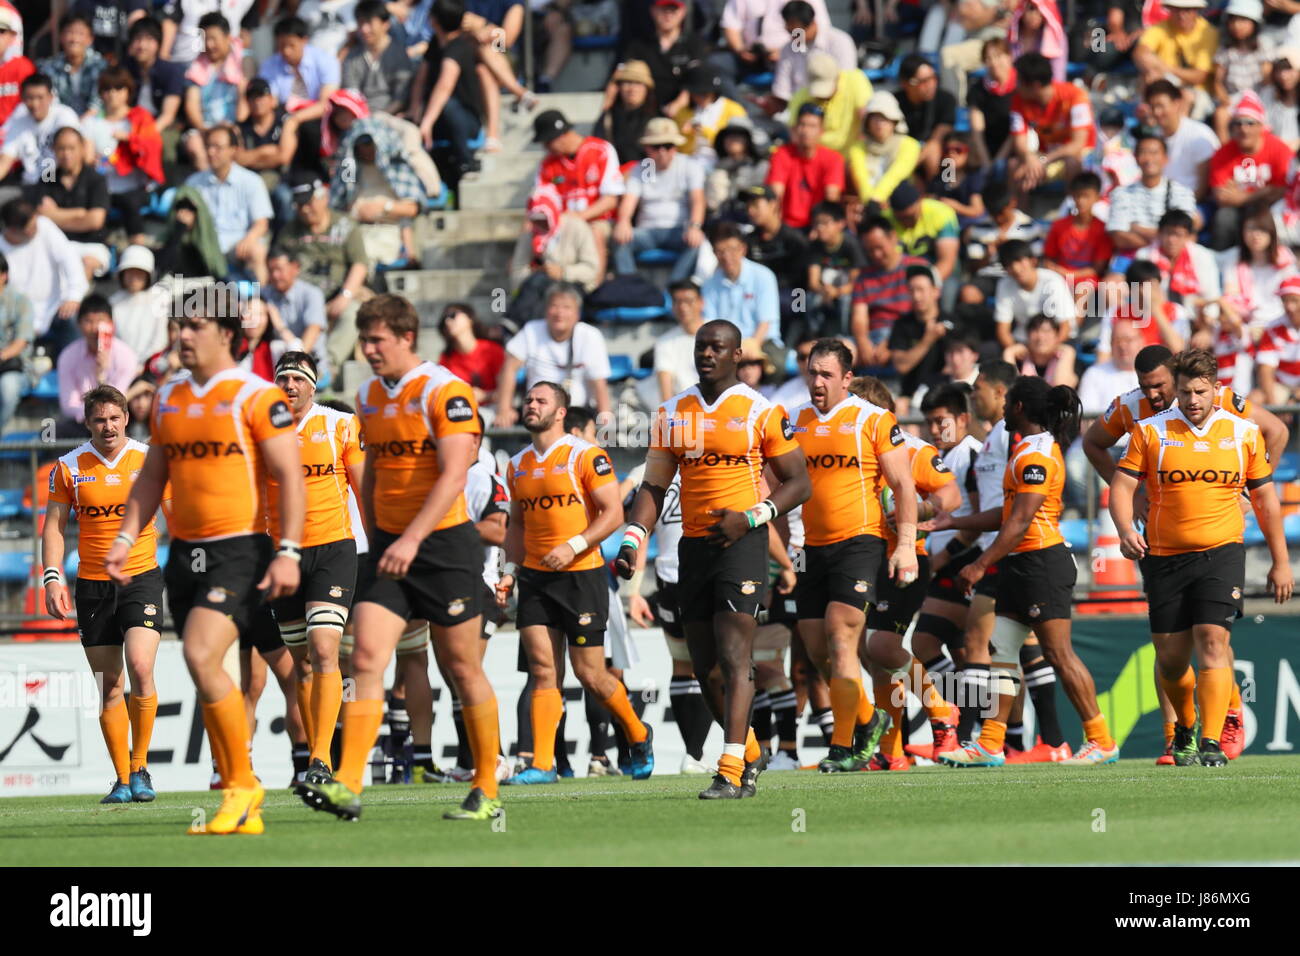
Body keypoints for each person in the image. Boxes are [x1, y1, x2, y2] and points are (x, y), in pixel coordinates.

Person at [104, 285, 305, 835]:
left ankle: (244, 784)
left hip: (239, 549)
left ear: (225, 333)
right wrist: (125, 538)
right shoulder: (168, 397)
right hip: (183, 554)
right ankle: (241, 786)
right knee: (204, 666)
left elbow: (290, 477)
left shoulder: (257, 397)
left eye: (194, 325)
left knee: (198, 653)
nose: (182, 335)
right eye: (178, 325)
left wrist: (287, 550)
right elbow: (153, 476)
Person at [299, 293, 502, 821]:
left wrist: (413, 538)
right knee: (365, 657)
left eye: (376, 340)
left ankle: (486, 787)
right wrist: (377, 536)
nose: (367, 350)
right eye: (363, 340)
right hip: (389, 546)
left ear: (406, 337)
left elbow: (456, 473)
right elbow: (370, 476)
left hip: (445, 545)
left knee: (460, 665)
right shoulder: (366, 395)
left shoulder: (445, 390)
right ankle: (347, 784)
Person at [615, 319, 812, 799]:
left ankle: (728, 770)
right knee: (704, 668)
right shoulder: (671, 412)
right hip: (693, 546)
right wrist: (633, 536)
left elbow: (799, 481)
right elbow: (654, 485)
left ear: (737, 354)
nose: (707, 354)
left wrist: (752, 517)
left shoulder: (760, 410)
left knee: (734, 655)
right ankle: (748, 750)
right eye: (702, 346)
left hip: (742, 544)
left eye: (717, 347)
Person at [1111, 348, 1291, 766]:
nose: (1192, 400)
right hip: (1165, 557)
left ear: (1216, 389)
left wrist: (1280, 562)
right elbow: (1121, 487)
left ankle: (1211, 741)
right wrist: (1123, 530)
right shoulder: (1150, 431)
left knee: (1213, 642)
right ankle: (1186, 728)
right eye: (1186, 391)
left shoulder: (1242, 432)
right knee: (1172, 662)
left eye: (1200, 391)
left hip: (1221, 553)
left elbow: (1265, 499)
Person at [935, 377, 1120, 766]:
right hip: (1022, 563)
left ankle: (1100, 738)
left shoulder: (1036, 455)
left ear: (1019, 408)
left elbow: (1019, 522)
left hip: (1041, 563)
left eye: (1008, 402)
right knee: (1001, 650)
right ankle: (990, 742)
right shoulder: (1025, 450)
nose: (1002, 408)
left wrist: (979, 564)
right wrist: (951, 521)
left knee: (1058, 653)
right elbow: (1007, 515)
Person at [495, 382, 654, 784]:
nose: (531, 405)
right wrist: (509, 573)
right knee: (543, 671)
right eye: (528, 399)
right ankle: (543, 764)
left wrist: (574, 546)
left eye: (540, 400)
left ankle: (638, 734)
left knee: (590, 675)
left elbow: (613, 513)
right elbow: (517, 525)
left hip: (582, 576)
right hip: (535, 578)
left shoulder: (585, 455)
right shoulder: (517, 464)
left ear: (561, 411)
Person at [785, 340, 915, 773]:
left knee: (842, 638)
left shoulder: (873, 419)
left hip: (860, 542)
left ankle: (842, 747)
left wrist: (905, 544)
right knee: (816, 647)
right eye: (812, 373)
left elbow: (903, 485)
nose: (817, 382)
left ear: (846, 379)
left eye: (826, 375)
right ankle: (867, 717)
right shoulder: (793, 421)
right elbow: (775, 486)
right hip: (811, 548)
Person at [43, 384, 165, 804]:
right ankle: (121, 779)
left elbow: (179, 512)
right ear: (87, 422)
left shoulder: (149, 459)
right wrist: (53, 578)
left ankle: (141, 767)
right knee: (109, 684)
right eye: (99, 419)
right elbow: (54, 528)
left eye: (115, 418)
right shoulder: (68, 467)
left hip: (141, 577)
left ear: (126, 418)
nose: (108, 426)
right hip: (92, 586)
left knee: (140, 666)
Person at [260, 352, 364, 799]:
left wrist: (385, 542)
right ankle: (312, 754)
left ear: (313, 386)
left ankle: (321, 758)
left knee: (326, 650)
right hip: (281, 554)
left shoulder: (340, 425)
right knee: (300, 662)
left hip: (332, 549)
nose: (289, 384)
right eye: (281, 377)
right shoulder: (259, 427)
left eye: (298, 378)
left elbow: (364, 487)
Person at [854, 374, 960, 771]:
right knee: (874, 656)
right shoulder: (855, 448)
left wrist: (921, 512)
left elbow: (950, 495)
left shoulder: (913, 450)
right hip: (863, 559)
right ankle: (892, 751)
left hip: (906, 559)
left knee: (881, 646)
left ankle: (941, 710)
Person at [906, 383, 984, 761]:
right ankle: (964, 734)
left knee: (925, 645)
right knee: (964, 652)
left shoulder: (970, 456)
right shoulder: (942, 458)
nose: (936, 430)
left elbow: (976, 520)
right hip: (949, 563)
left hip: (960, 562)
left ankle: (964, 731)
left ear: (963, 419)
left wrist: (940, 559)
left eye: (942, 422)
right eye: (930, 423)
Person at [277, 174, 371, 377]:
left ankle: (327, 365)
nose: (305, 209)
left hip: (337, 296)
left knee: (354, 314)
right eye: (300, 205)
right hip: (302, 301)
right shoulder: (290, 231)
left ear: (324, 198)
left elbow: (359, 263)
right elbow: (278, 263)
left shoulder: (345, 225)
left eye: (309, 202)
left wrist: (345, 295)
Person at [495, 283, 612, 425]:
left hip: (577, 414)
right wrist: (504, 409)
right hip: (538, 413)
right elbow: (509, 368)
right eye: (555, 306)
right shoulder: (531, 330)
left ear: (577, 314)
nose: (559, 313)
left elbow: (599, 383)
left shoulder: (591, 336)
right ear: (546, 310)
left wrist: (605, 420)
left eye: (567, 307)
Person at [531, 109, 625, 281]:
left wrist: (578, 217)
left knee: (594, 232)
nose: (545, 148)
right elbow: (540, 202)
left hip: (599, 220)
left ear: (561, 136)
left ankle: (593, 287)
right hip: (561, 224)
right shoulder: (547, 164)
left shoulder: (601, 150)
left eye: (547, 142)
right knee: (531, 237)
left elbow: (611, 200)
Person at [611, 116, 705, 282]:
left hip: (679, 230)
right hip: (647, 230)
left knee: (697, 242)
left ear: (675, 148)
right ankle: (630, 287)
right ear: (647, 148)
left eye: (668, 146)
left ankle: (676, 286)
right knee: (619, 239)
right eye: (656, 146)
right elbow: (630, 199)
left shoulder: (689, 165)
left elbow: (697, 200)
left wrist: (695, 226)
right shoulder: (644, 168)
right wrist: (623, 221)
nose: (662, 151)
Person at [80, 67, 164, 250]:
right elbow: (85, 156)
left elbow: (153, 147)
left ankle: (138, 251)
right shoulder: (91, 122)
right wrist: (91, 160)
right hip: (103, 188)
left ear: (128, 92)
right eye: (107, 89)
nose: (112, 94)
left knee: (130, 201)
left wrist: (130, 140)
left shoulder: (140, 118)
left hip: (135, 187)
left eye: (118, 89)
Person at [185, 124, 273, 283]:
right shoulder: (194, 183)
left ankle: (261, 300)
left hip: (237, 247)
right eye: (209, 146)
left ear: (233, 150)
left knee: (257, 250)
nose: (211, 152)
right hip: (205, 245)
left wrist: (249, 238)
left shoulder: (252, 181)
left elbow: (262, 223)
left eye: (218, 147)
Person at [1006, 53, 1095, 205]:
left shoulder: (1075, 95)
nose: (1016, 85)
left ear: (1035, 85)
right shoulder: (1018, 99)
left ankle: (1071, 213)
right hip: (1047, 157)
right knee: (1014, 165)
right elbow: (1019, 141)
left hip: (1080, 155)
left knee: (1072, 163)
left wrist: (1042, 160)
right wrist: (1029, 158)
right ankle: (1019, 219)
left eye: (1019, 81)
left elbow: (1077, 144)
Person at [1208, 90, 1291, 249]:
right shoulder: (1223, 154)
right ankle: (1221, 261)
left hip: (1270, 207)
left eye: (1249, 123)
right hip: (1236, 210)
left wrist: (1243, 197)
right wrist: (1265, 191)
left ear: (1261, 126)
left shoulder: (1279, 149)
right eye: (1238, 123)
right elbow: (1221, 196)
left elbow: (1282, 190)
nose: (1243, 129)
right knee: (1223, 218)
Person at [413, 0, 483, 179]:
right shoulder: (435, 44)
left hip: (466, 122)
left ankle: (466, 162)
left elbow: (444, 87)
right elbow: (420, 80)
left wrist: (426, 122)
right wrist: (414, 110)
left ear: (434, 20)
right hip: (437, 118)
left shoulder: (460, 46)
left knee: (449, 105)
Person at [850, 215, 929, 372]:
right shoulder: (863, 277)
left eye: (879, 247)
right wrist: (862, 342)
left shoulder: (917, 268)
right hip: (873, 335)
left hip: (905, 334)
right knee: (841, 353)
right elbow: (859, 317)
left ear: (893, 237)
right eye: (870, 250)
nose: (876, 255)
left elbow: (923, 310)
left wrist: (889, 343)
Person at [509, 183, 601, 308]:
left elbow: (591, 269)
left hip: (574, 285)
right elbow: (517, 269)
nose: (540, 224)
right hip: (538, 287)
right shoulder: (530, 233)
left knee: (552, 297)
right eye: (536, 220)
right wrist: (536, 273)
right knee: (539, 284)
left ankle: (511, 325)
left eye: (543, 218)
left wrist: (563, 272)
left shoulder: (577, 227)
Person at [35, 126, 110, 281]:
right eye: (61, 148)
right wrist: (80, 214)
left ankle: (76, 303)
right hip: (57, 244)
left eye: (71, 148)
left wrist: (55, 215)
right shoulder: (48, 178)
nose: (66, 154)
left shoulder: (95, 179)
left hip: (91, 245)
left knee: (86, 264)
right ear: (54, 150)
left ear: (82, 148)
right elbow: (40, 215)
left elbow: (95, 221)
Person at [613, 0, 709, 118]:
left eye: (673, 10)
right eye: (663, 9)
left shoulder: (694, 43)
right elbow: (621, 74)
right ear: (653, 11)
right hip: (646, 113)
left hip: (685, 113)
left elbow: (699, 77)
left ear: (683, 12)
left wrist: (680, 102)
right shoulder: (639, 45)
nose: (668, 14)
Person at [701, 221, 783, 358]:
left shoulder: (764, 276)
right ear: (714, 253)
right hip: (725, 346)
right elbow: (710, 323)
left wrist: (750, 347)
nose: (727, 257)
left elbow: (765, 323)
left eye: (732, 250)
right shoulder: (709, 284)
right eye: (721, 251)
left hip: (762, 342)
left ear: (743, 249)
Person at [1106, 134, 1199, 254]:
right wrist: (1158, 244)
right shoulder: (1121, 193)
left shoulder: (1182, 192)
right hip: (1131, 257)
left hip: (1170, 256)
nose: (1149, 159)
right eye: (1144, 152)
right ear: (1135, 158)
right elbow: (1119, 237)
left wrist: (1137, 229)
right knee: (1114, 274)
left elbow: (1186, 233)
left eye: (1154, 153)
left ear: (1165, 158)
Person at [56, 294, 139, 427]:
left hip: (118, 422)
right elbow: (68, 405)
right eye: (88, 321)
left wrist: (102, 376)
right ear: (78, 325)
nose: (95, 328)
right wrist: (93, 416)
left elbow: (118, 401)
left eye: (101, 321)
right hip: (83, 421)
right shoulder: (68, 356)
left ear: (112, 324)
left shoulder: (126, 355)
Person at [180, 13, 248, 171]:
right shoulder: (195, 68)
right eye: (205, 39)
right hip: (205, 128)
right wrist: (206, 130)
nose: (209, 44)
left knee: (236, 143)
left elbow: (243, 111)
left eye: (213, 38)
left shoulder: (244, 61)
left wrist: (231, 127)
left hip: (234, 126)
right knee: (195, 145)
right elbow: (192, 107)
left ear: (227, 37)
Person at [890, 263, 967, 402]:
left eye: (921, 290)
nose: (916, 296)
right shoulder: (902, 324)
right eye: (911, 290)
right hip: (910, 396)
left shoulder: (954, 323)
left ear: (936, 291)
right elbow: (901, 366)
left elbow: (960, 365)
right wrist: (928, 339)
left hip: (946, 396)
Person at [768, 0, 857, 113]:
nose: (794, 36)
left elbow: (846, 84)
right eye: (790, 32)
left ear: (812, 24)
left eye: (797, 32)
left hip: (836, 108)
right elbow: (782, 92)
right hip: (798, 113)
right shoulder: (788, 49)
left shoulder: (840, 42)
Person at [765, 103, 844, 230]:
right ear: (795, 128)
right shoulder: (782, 154)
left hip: (817, 226)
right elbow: (776, 194)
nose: (806, 131)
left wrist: (820, 228)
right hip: (786, 226)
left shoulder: (833, 159)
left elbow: (831, 197)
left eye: (812, 126)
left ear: (821, 131)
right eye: (802, 124)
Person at [0, 73, 82, 190]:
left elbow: (75, 156)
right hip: (28, 185)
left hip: (60, 185)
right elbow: (5, 160)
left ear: (50, 97)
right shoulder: (18, 119)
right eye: (29, 98)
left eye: (40, 97)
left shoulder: (64, 116)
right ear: (22, 98)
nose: (35, 104)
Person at [785, 52, 873, 161]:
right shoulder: (801, 95)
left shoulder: (855, 80)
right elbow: (794, 133)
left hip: (852, 159)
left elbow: (867, 118)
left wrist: (858, 157)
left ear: (837, 77)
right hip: (818, 162)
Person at [992, 239, 1076, 349]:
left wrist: (1044, 352)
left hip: (1057, 341)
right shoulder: (1004, 285)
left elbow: (1065, 327)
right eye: (1009, 265)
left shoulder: (1053, 281)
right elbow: (1003, 330)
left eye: (1020, 261)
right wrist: (1018, 352)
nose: (1016, 269)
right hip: (1024, 342)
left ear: (1033, 261)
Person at [257, 16, 339, 127]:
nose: (286, 51)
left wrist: (294, 120)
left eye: (291, 45)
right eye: (281, 46)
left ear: (304, 41)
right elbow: (271, 102)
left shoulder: (326, 61)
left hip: (317, 119)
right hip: (283, 117)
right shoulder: (269, 65)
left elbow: (326, 104)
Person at [884, 180, 960, 303]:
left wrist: (923, 288)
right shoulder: (885, 221)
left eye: (910, 216)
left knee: (948, 289)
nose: (906, 222)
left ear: (920, 202)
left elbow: (947, 262)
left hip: (935, 269)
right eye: (901, 219)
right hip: (901, 275)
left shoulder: (941, 213)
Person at [1043, 172, 1112, 302]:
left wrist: (1070, 274)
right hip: (1060, 275)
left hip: (1086, 278)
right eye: (1078, 196)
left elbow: (1097, 269)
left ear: (1097, 198)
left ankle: (1074, 322)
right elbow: (1049, 258)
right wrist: (1057, 270)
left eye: (1086, 196)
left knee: (1082, 292)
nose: (1081, 201)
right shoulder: (1059, 226)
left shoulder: (1102, 230)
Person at [1143, 79, 1219, 197]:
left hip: (1196, 204)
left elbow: (1204, 189)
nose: (1157, 112)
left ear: (1176, 103)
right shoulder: (1152, 138)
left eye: (1160, 106)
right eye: (1152, 107)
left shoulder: (1200, 135)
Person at [1211, 0, 1273, 141]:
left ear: (1255, 23)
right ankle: (1225, 153)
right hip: (1234, 97)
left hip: (1259, 96)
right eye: (1233, 20)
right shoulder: (1225, 49)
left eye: (1243, 20)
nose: (1237, 25)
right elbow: (1218, 82)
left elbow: (1267, 78)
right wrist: (1225, 99)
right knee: (1220, 115)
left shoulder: (1263, 45)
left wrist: (1255, 102)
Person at [1133, 0, 1219, 100]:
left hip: (1197, 92)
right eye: (1177, 10)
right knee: (1150, 77)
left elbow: (1198, 77)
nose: (1181, 15)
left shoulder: (1208, 33)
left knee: (1185, 96)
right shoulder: (1160, 28)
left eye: (1187, 10)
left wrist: (1166, 70)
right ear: (1170, 9)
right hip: (1166, 85)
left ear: (1196, 10)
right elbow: (1140, 53)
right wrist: (1159, 72)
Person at [342, 0, 415, 116]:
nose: (364, 29)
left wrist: (379, 117)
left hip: (389, 116)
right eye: (361, 23)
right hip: (356, 115)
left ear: (385, 24)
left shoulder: (399, 54)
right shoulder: (352, 56)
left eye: (369, 23)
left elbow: (400, 98)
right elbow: (350, 91)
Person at [847, 91, 920, 207]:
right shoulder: (857, 148)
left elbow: (896, 175)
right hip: (868, 204)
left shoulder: (910, 145)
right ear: (867, 122)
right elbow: (861, 179)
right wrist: (870, 202)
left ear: (895, 121)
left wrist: (877, 199)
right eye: (875, 118)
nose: (879, 124)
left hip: (899, 206)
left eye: (885, 118)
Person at [806, 199, 865, 336]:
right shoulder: (815, 246)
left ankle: (845, 336)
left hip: (845, 291)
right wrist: (824, 290)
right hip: (824, 291)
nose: (820, 228)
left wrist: (837, 292)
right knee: (801, 297)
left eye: (825, 223)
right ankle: (811, 334)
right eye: (817, 223)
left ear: (840, 223)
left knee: (846, 301)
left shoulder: (852, 245)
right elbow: (812, 282)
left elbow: (855, 282)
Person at [895, 53, 956, 181]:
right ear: (905, 84)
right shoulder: (894, 103)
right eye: (923, 81)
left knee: (945, 151)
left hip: (938, 158)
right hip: (903, 156)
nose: (931, 84)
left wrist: (911, 164)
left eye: (933, 78)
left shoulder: (946, 99)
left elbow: (937, 138)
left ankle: (942, 190)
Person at [673, 64, 746, 169]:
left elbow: (738, 145)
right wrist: (687, 135)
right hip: (689, 164)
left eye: (705, 93)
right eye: (696, 93)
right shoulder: (683, 112)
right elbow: (680, 149)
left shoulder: (734, 110)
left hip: (723, 163)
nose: (700, 97)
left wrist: (705, 131)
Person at [123, 17, 184, 136]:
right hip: (131, 123)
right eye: (137, 39)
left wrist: (145, 135)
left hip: (162, 126)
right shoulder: (125, 69)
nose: (142, 45)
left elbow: (168, 115)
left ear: (158, 43)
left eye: (149, 39)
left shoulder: (171, 71)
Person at [37, 13, 105, 117]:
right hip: (60, 123)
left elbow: (98, 103)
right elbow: (52, 104)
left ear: (90, 39)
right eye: (69, 32)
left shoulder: (100, 65)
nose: (74, 39)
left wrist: (81, 125)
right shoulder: (49, 67)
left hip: (93, 122)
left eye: (80, 34)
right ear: (61, 37)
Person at [593, 60, 658, 167]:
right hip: (616, 177)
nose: (632, 89)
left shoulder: (656, 118)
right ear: (619, 88)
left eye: (638, 83)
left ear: (647, 88)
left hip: (646, 176)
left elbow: (655, 160)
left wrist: (636, 175)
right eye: (627, 82)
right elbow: (598, 148)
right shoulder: (609, 117)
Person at [437, 302, 504, 405]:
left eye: (452, 315)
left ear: (470, 319)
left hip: (494, 410)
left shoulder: (492, 350)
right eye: (444, 319)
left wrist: (485, 396)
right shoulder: (446, 359)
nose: (448, 321)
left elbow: (507, 391)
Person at [109, 245, 167, 362]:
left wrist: (145, 365)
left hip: (152, 366)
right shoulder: (113, 302)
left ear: (148, 276)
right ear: (122, 274)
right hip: (121, 364)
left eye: (139, 273)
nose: (134, 278)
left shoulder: (160, 298)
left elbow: (160, 339)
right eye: (130, 273)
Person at [966, 36, 1015, 170]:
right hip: (987, 144)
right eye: (988, 58)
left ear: (1009, 57)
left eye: (999, 56)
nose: (994, 63)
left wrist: (999, 159)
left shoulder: (1021, 86)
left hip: (1014, 144)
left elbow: (1019, 128)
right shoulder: (978, 89)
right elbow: (977, 130)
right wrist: (986, 162)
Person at [653, 278, 704, 401]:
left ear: (701, 303)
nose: (683, 307)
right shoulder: (664, 343)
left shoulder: (720, 333)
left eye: (688, 301)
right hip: (683, 409)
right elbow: (666, 390)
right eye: (677, 302)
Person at [1255, 274, 1300, 404]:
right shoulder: (1272, 328)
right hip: (1281, 387)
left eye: (1294, 300)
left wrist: (1296, 396)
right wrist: (1274, 405)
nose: (1289, 306)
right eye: (1285, 300)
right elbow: (1266, 369)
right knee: (1255, 399)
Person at [0, 252, 31, 434]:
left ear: (4, 275)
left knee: (8, 388)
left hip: (14, 367)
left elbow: (21, 341)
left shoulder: (21, 302)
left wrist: (2, 355)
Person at [1004, 312, 1078, 387]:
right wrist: (1009, 353)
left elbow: (1062, 387)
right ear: (1027, 336)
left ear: (1056, 336)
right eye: (1035, 331)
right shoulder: (1019, 361)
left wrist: (1069, 352)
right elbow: (1012, 389)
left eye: (1046, 331)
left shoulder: (1066, 360)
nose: (1040, 337)